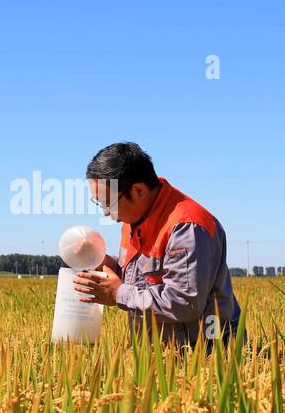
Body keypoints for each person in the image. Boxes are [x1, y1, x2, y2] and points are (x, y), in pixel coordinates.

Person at [73, 142, 242, 348]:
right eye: (100, 203)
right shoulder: (132, 221)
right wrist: (102, 262)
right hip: (160, 353)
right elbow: (138, 275)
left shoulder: (186, 227)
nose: (106, 212)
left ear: (138, 190)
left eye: (108, 203)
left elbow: (185, 302)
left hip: (205, 351)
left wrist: (118, 294)